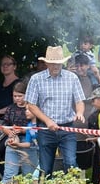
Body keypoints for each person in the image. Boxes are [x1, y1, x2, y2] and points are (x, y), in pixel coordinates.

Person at [24, 46, 86, 176]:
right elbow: (31, 105)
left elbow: (79, 100)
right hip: (46, 129)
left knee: (71, 162)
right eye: (53, 63)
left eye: (58, 63)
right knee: (46, 167)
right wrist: (47, 121)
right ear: (46, 63)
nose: (56, 66)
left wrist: (79, 112)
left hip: (67, 128)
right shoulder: (36, 79)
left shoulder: (72, 77)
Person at [0, 82, 37, 183]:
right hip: (12, 140)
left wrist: (23, 130)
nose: (17, 98)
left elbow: (36, 126)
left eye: (20, 96)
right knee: (9, 174)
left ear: (27, 95)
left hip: (28, 142)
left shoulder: (32, 108)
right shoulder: (10, 108)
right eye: (15, 96)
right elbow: (4, 125)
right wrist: (8, 132)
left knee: (29, 175)